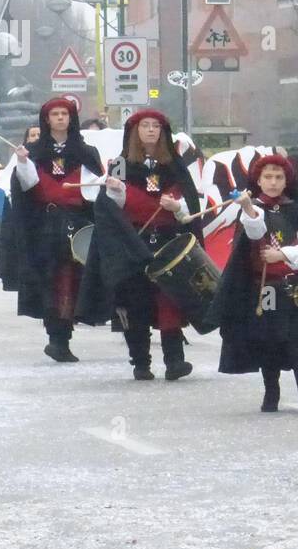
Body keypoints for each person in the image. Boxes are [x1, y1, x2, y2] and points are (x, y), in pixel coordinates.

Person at [78, 109, 205, 381]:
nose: (150, 130)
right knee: (134, 302)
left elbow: (191, 207)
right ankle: (140, 362)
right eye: (145, 125)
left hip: (168, 242)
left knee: (169, 299)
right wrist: (116, 191)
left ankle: (174, 361)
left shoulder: (174, 164)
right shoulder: (121, 165)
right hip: (131, 244)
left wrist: (177, 206)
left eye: (155, 126)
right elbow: (110, 209)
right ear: (135, 131)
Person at [207, 154, 298, 411]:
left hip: (295, 288)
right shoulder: (252, 210)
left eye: (279, 177)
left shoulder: (296, 211)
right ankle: (271, 392)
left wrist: (282, 254)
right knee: (269, 339)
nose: (273, 182)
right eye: (268, 177)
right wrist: (249, 208)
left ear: (286, 181)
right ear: (258, 181)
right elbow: (255, 230)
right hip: (266, 289)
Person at [0, 98, 104, 363]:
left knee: (69, 280)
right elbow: (27, 187)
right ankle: (55, 336)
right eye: (54, 114)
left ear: (71, 118)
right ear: (46, 119)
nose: (59, 118)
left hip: (75, 226)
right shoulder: (32, 152)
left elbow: (94, 189)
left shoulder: (86, 152)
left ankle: (62, 338)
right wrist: (22, 163)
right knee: (48, 280)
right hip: (42, 227)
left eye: (64, 114)